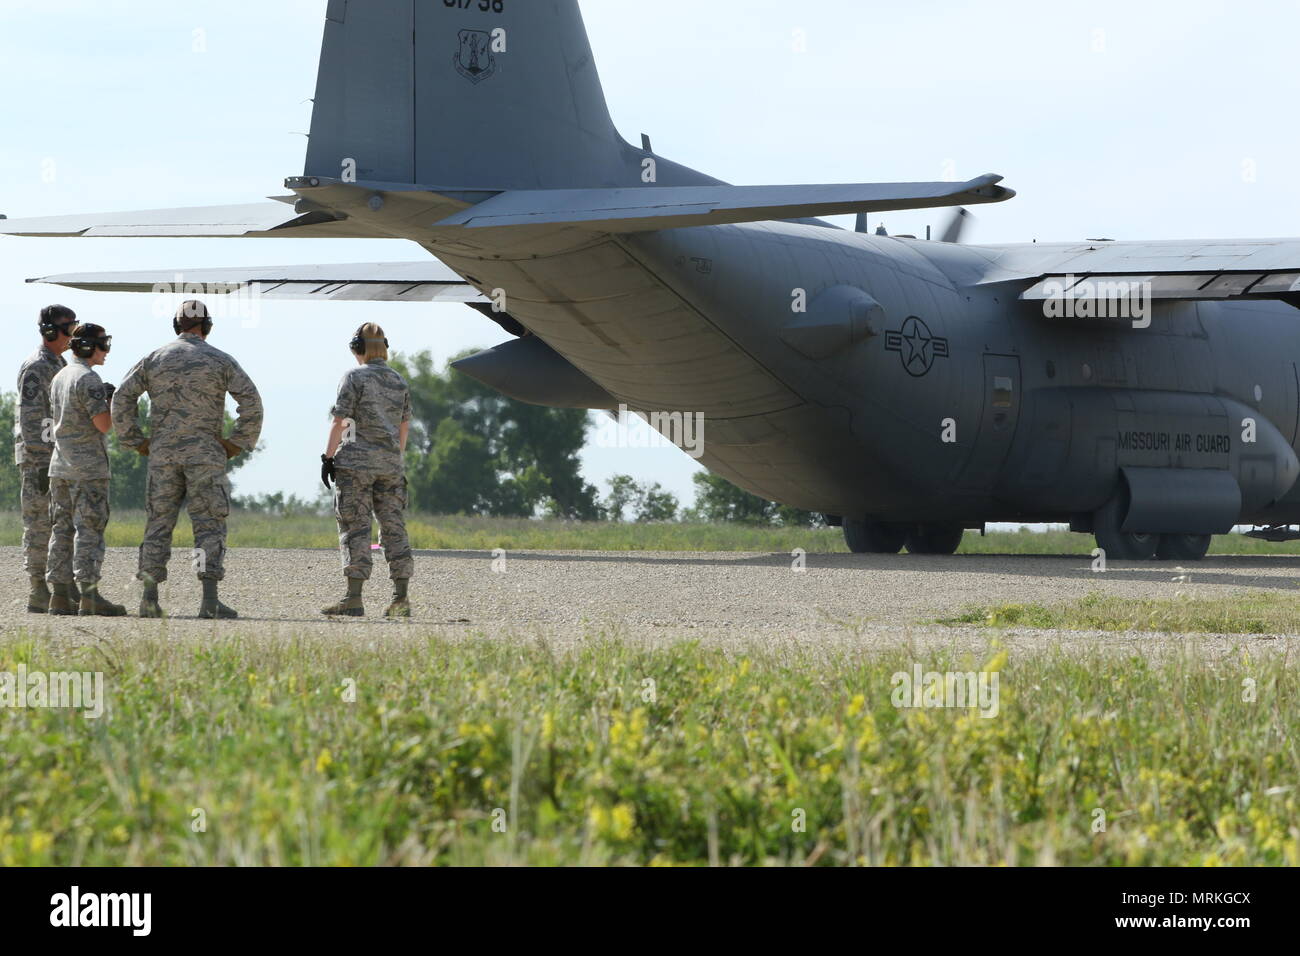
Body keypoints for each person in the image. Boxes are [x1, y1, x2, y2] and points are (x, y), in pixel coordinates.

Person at [112, 301, 262, 619]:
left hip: (162, 456)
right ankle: (209, 601)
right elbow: (251, 400)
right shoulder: (220, 360)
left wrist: (135, 440)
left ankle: (149, 599)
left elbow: (122, 396)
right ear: (207, 326)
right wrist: (237, 443)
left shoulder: (154, 358)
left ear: (175, 325)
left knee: (158, 525)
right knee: (208, 526)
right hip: (205, 457)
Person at [320, 323, 414, 617]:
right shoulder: (399, 381)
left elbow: (340, 421)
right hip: (390, 466)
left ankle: (354, 598)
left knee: (355, 527)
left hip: (356, 466)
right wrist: (394, 459)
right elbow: (404, 426)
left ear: (357, 348)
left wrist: (328, 457)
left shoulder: (353, 378)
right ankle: (401, 599)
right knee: (393, 527)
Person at [46, 323, 126, 616]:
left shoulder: (60, 375)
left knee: (62, 530)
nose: (106, 351)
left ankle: (59, 596)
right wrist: (111, 402)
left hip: (60, 466)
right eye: (102, 345)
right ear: (87, 347)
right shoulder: (90, 380)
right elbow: (103, 425)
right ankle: (89, 596)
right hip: (88, 469)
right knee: (89, 531)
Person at [15, 305, 80, 613]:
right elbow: (31, 420)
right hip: (39, 460)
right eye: (69, 327)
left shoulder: (59, 363)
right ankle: (38, 589)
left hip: (56, 459)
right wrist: (41, 462)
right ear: (52, 331)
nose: (73, 333)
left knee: (59, 524)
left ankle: (61, 585)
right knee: (39, 524)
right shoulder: (37, 367)